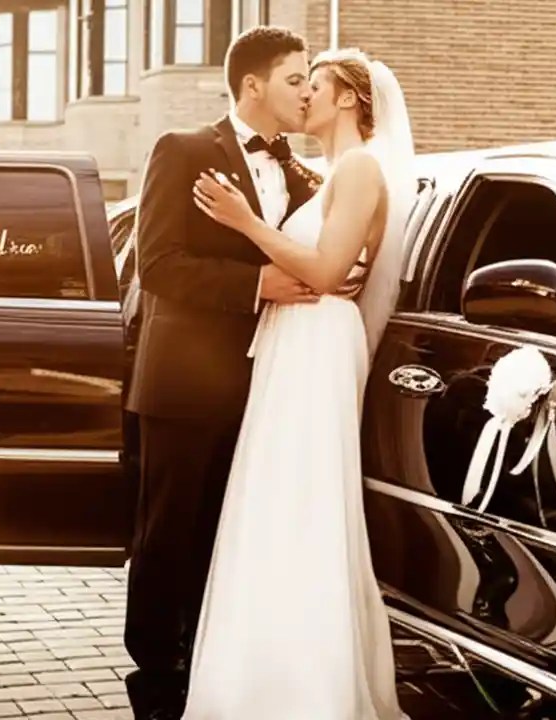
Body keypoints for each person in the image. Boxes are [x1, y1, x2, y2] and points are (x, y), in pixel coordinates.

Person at [183, 47, 418, 719]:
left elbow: (324, 270)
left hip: (319, 342)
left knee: (306, 504)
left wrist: (245, 222)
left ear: (347, 97)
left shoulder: (364, 169)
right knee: (274, 503)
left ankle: (312, 691)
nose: (304, 95)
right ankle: (261, 681)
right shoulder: (332, 174)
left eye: (313, 84)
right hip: (297, 344)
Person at [122, 25, 327, 720]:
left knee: (231, 529)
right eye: (297, 79)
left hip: (269, 384)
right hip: (183, 381)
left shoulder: (305, 177)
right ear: (253, 84)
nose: (307, 92)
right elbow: (158, 266)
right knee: (169, 528)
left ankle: (214, 652)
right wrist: (254, 286)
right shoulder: (181, 152)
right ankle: (155, 670)